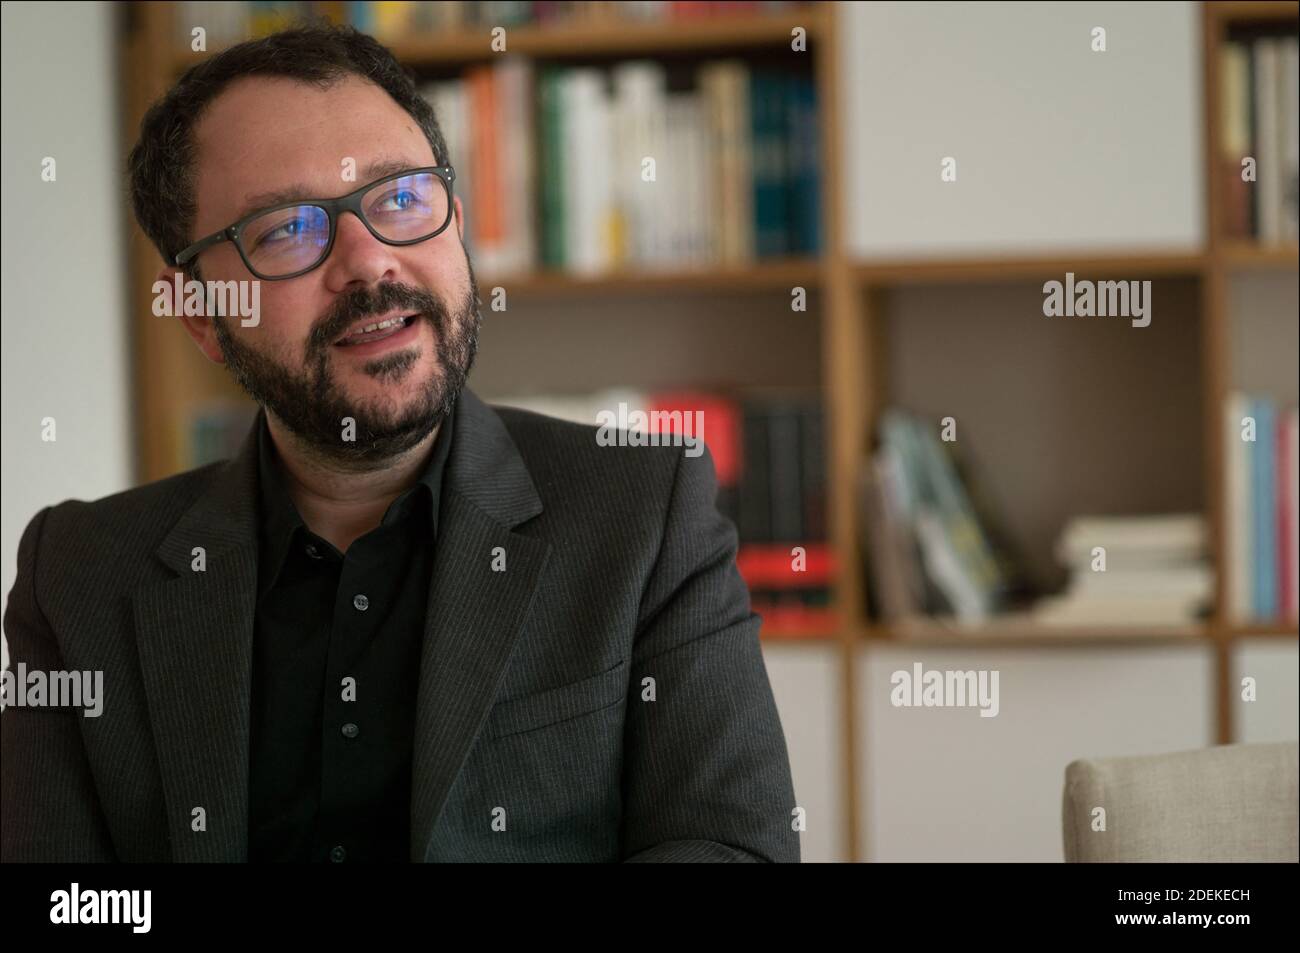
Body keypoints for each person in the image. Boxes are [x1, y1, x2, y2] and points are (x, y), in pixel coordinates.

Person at [0, 24, 798, 863]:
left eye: (402, 198)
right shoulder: (77, 576)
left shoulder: (644, 513)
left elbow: (731, 849)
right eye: (286, 228)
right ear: (199, 313)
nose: (369, 261)